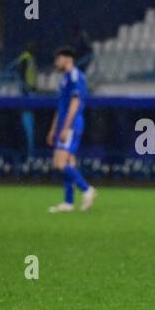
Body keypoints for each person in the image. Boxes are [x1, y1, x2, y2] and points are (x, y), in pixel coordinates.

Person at [47, 46, 96, 213]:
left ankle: (87, 189)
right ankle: (68, 202)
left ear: (67, 59)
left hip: (72, 123)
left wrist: (66, 128)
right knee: (68, 163)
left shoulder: (75, 76)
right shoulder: (64, 79)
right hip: (64, 123)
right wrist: (54, 129)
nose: (56, 62)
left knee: (60, 163)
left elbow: (75, 104)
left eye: (58, 59)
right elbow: (60, 106)